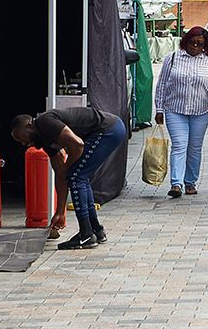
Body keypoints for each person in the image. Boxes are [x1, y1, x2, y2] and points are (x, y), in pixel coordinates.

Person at [11, 105, 126, 250]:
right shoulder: (44, 140)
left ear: (28, 126)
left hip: (109, 129)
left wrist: (69, 169)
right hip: (111, 129)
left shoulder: (45, 122)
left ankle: (86, 235)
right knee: (79, 176)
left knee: (76, 176)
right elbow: (60, 175)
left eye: (21, 138)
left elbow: (77, 144)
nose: (24, 144)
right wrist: (60, 212)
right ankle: (96, 230)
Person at [153, 27, 208, 198]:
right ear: (186, 41)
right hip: (174, 109)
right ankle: (176, 184)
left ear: (205, 46)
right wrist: (159, 109)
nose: (195, 46)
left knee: (194, 147)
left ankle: (190, 182)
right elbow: (162, 84)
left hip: (200, 111)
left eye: (200, 44)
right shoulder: (173, 58)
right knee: (179, 144)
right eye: (193, 42)